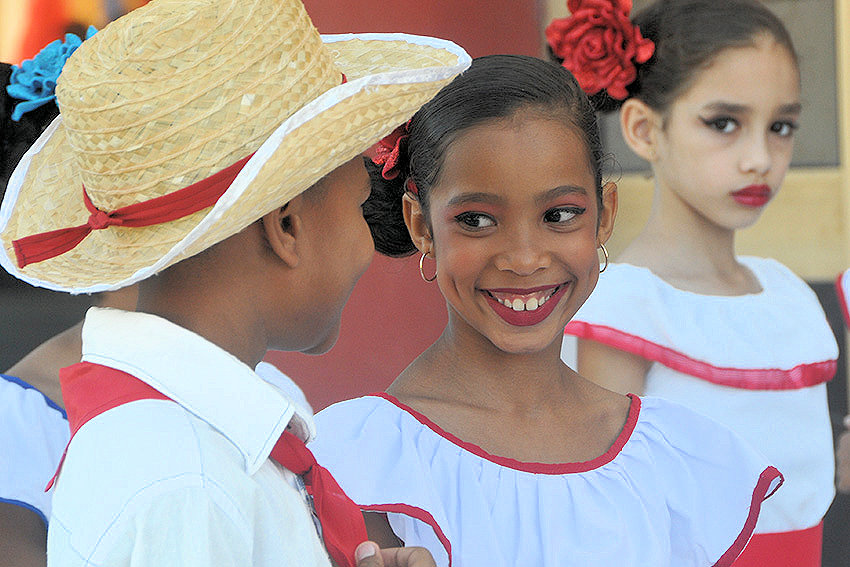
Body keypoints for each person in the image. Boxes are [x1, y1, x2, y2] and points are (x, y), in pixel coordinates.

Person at [0, 0, 470, 565]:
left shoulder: (206, 436)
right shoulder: (183, 482)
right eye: (360, 206)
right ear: (287, 225)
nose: (366, 248)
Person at [310, 53, 783, 567]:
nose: (524, 258)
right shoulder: (364, 458)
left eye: (559, 215)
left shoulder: (669, 460)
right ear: (421, 225)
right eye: (476, 219)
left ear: (604, 217)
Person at [548, 1, 838, 564]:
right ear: (643, 129)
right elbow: (607, 513)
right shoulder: (625, 308)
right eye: (723, 123)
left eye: (780, 127)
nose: (760, 158)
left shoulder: (788, 299)